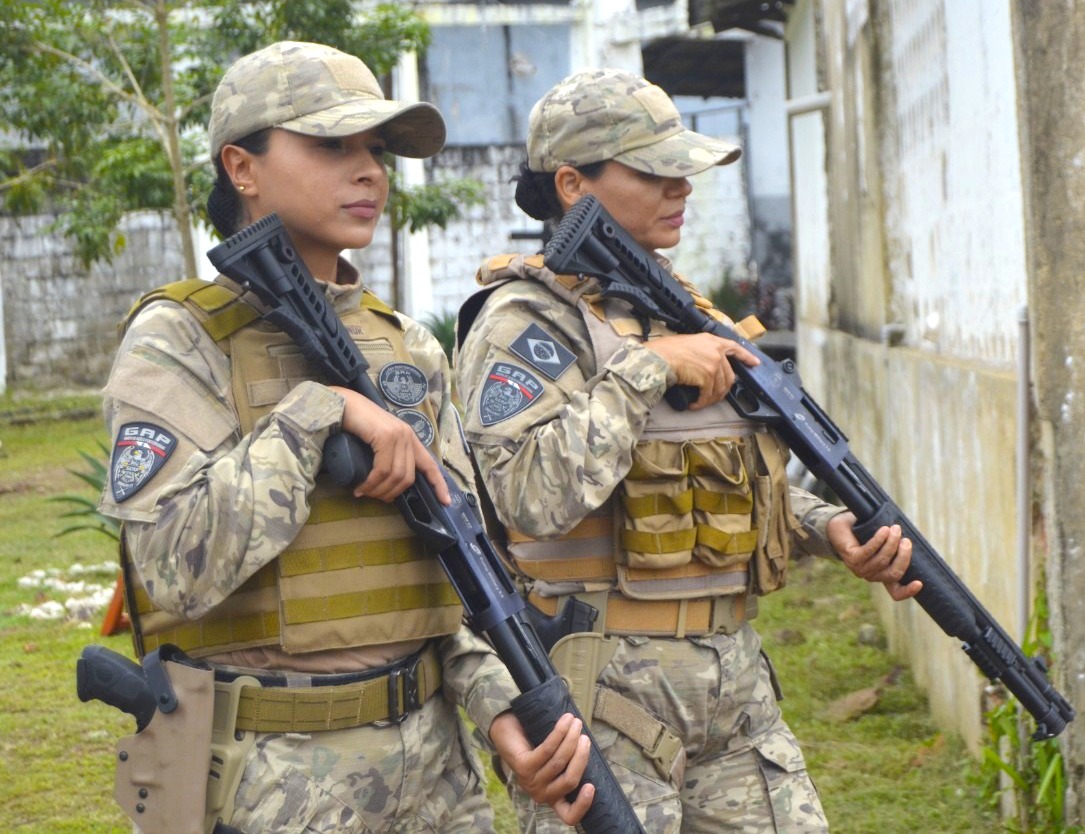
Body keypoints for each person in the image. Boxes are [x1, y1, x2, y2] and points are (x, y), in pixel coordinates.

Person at [98, 41, 592, 834]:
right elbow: (172, 569)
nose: (369, 172)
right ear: (241, 167)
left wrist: (501, 712)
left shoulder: (407, 349)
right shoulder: (179, 340)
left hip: (435, 783)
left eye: (377, 150)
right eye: (333, 146)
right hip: (270, 783)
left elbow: (459, 576)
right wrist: (314, 415)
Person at [453, 67, 923, 834]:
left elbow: (721, 479)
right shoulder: (526, 326)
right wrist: (647, 370)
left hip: (735, 696)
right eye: (652, 171)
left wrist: (823, 527)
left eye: (682, 169)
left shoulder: (680, 309)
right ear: (572, 184)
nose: (681, 188)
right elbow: (525, 497)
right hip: (604, 704)